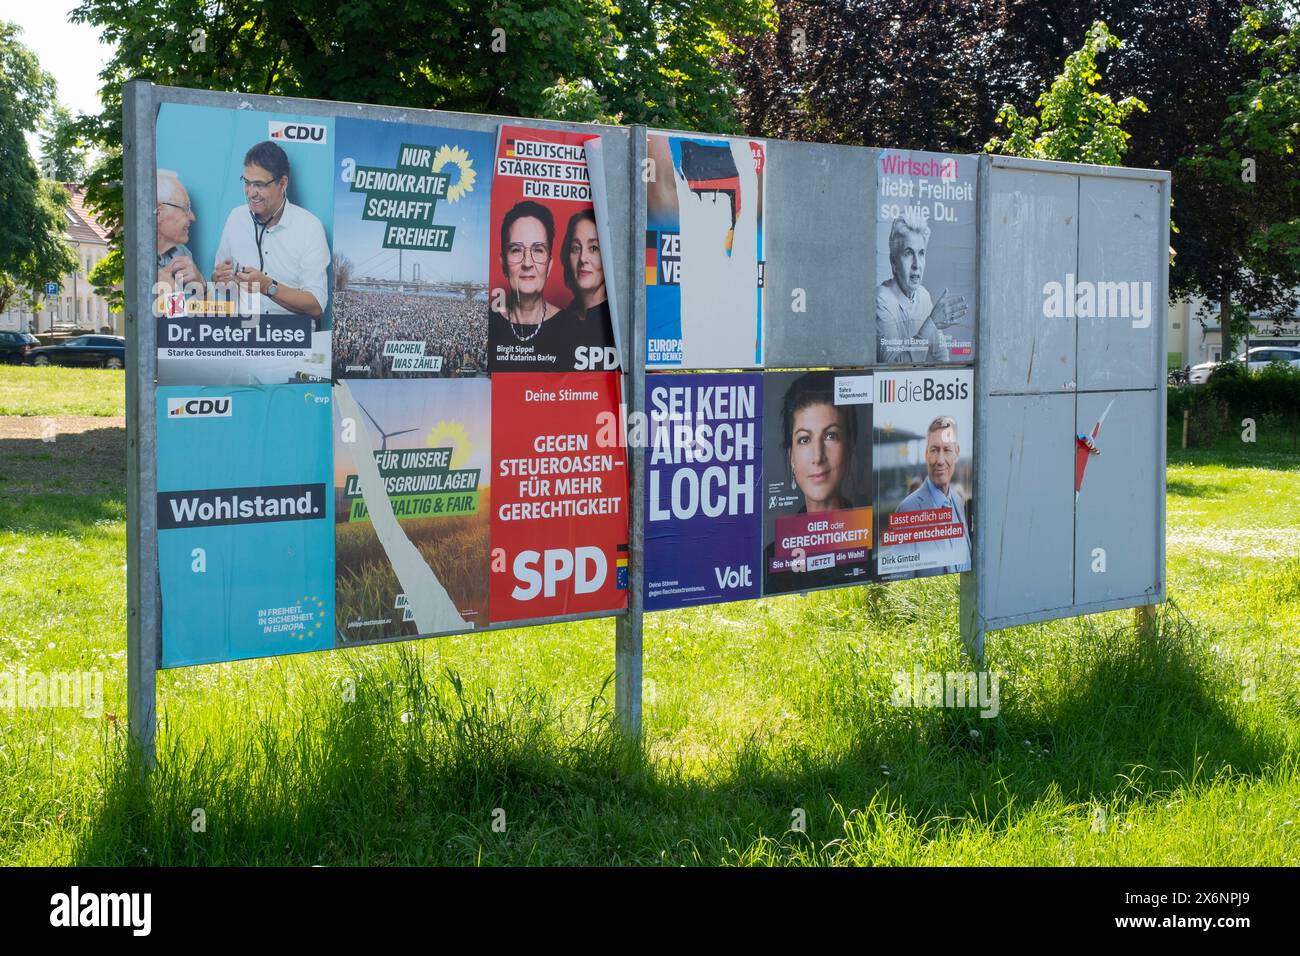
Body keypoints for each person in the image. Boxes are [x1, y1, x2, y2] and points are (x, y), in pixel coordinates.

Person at [764, 372, 870, 593]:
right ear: (791, 456)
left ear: (849, 447)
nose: (818, 456)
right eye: (804, 439)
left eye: (831, 436)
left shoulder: (873, 546)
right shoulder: (772, 558)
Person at [211, 140, 330, 324]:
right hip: (244, 335)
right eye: (247, 183)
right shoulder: (236, 218)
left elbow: (315, 306)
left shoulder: (310, 227)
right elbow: (222, 285)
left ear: (282, 183)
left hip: (292, 342)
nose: (251, 193)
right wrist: (219, 279)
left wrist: (268, 286)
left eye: (259, 184)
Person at [488, 200, 570, 370]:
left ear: (549, 265)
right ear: (503, 263)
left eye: (538, 250)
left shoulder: (573, 327)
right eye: (516, 250)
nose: (527, 263)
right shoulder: (488, 324)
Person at [876, 209, 967, 363]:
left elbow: (941, 355)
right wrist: (931, 323)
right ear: (894, 262)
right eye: (908, 253)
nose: (916, 265)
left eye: (921, 253)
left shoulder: (923, 295)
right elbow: (892, 366)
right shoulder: (881, 300)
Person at [887, 415, 971, 576]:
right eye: (934, 450)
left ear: (957, 453)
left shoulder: (958, 502)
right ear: (926, 454)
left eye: (947, 450)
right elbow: (901, 584)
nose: (940, 460)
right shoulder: (907, 510)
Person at [558, 209, 618, 360]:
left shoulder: (618, 323)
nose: (583, 258)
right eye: (576, 248)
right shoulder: (560, 321)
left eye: (594, 248)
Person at [156, 170, 205, 294]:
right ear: (158, 211)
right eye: (185, 208)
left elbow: (204, 310)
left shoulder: (182, 252)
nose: (193, 218)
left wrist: (201, 285)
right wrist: (152, 295)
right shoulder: (135, 256)